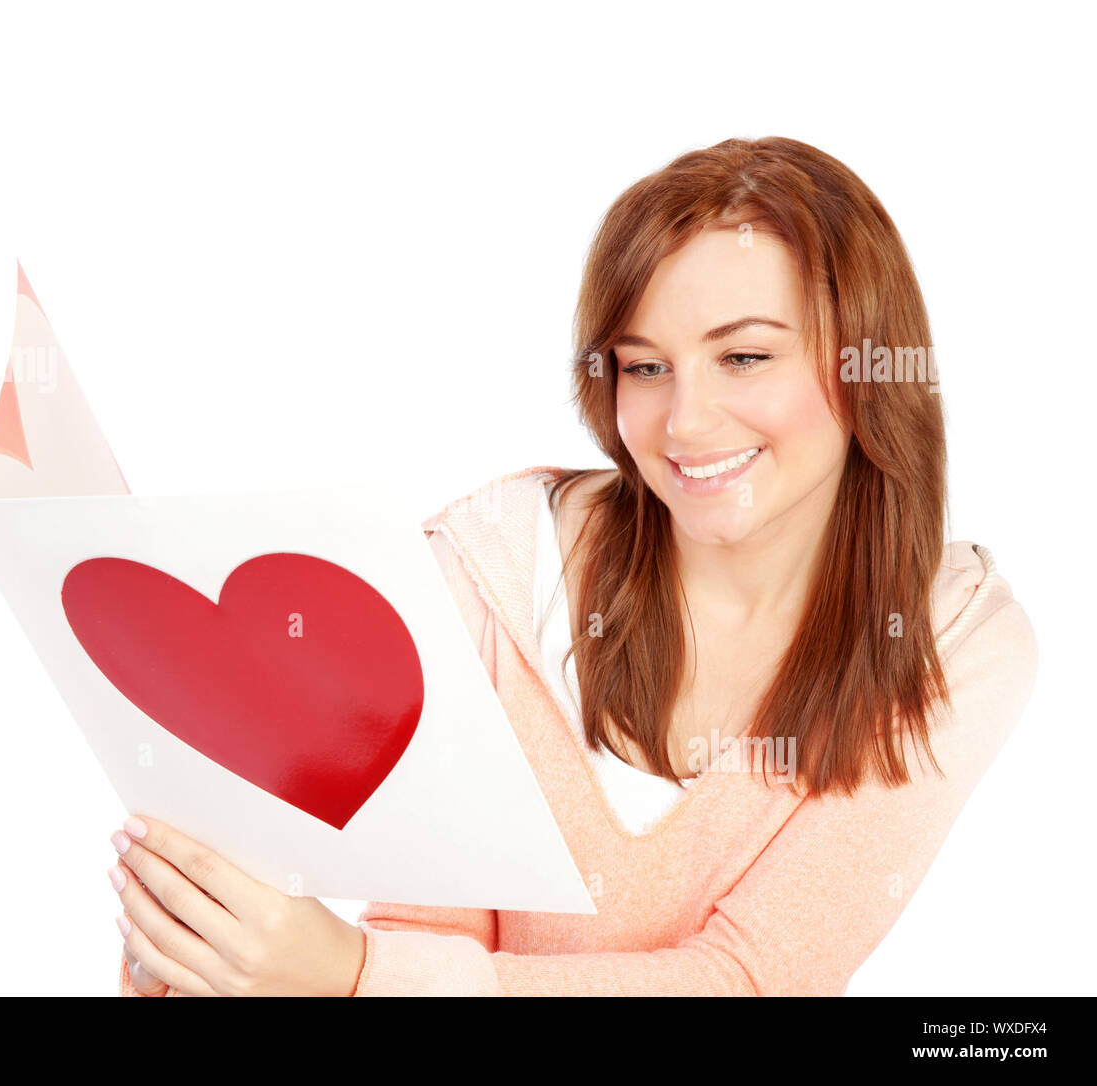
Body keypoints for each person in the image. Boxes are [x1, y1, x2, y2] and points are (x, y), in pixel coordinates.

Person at [113, 136, 1038, 996]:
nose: (686, 423)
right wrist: (219, 957)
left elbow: (749, 982)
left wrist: (352, 975)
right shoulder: (498, 569)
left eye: (745, 356)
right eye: (644, 368)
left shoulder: (955, 640)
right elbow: (425, 930)